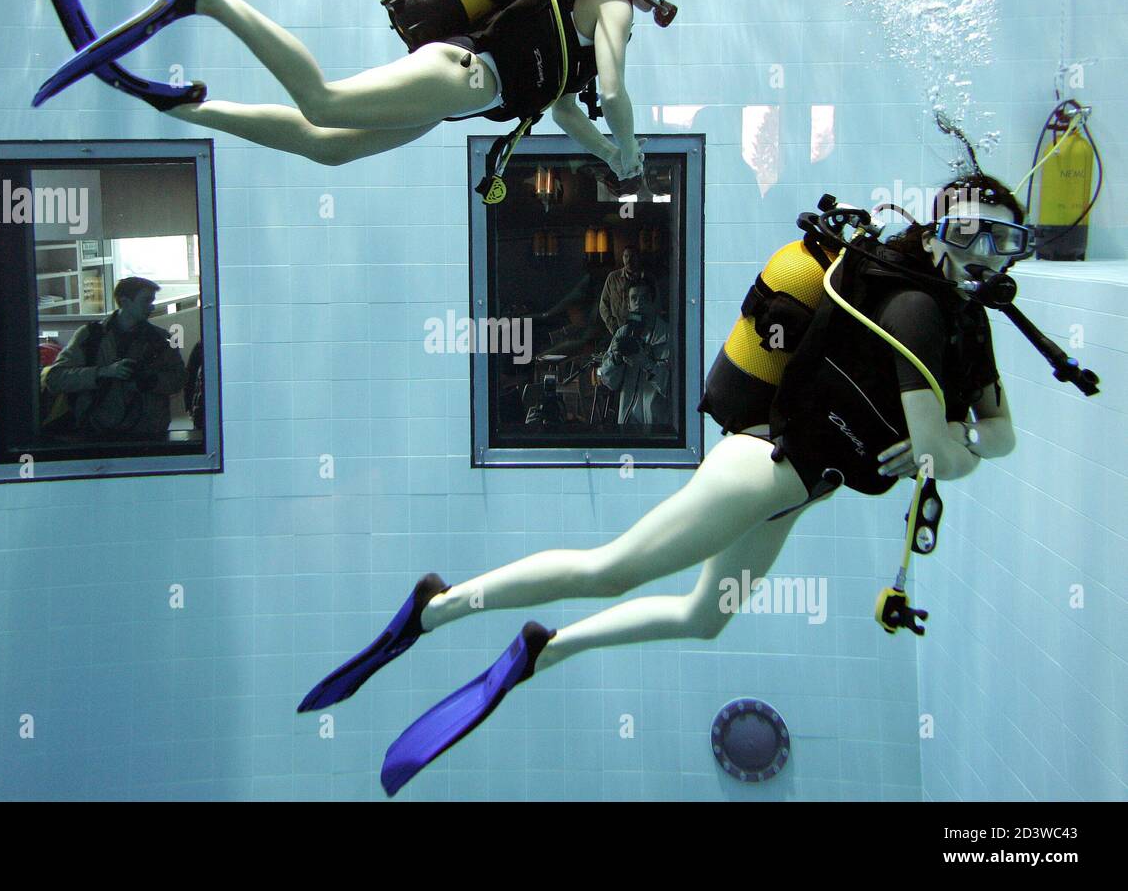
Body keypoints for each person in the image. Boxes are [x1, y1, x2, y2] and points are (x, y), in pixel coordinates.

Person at [299, 173, 1024, 796]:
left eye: (1006, 240)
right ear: (942, 231)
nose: (990, 256)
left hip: (796, 491)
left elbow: (1002, 435)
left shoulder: (967, 324)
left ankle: (542, 649)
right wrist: (958, 446)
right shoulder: (918, 312)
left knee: (705, 618)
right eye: (978, 235)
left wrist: (961, 444)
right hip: (766, 464)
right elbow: (945, 451)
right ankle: (435, 607)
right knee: (611, 569)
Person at [33, 0, 676, 181]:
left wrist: (607, 154)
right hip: (462, 72)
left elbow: (565, 109)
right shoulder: (610, 1)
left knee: (328, 148)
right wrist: (625, 140)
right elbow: (615, 92)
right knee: (324, 103)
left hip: (459, 94)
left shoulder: (585, 10)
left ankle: (184, 105)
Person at [43, 276, 188, 439]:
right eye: (146, 301)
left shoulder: (160, 340)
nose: (152, 307)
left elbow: (179, 379)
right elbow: (55, 379)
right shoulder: (91, 337)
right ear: (125, 301)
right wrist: (102, 373)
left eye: (152, 301)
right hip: (97, 431)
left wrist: (150, 381)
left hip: (147, 431)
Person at [598, 278, 671, 425]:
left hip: (658, 423)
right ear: (629, 305)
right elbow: (608, 381)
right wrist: (616, 361)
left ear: (653, 302)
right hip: (627, 420)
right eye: (634, 299)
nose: (638, 303)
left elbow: (670, 386)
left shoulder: (668, 336)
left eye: (644, 298)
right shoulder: (622, 333)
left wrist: (645, 362)